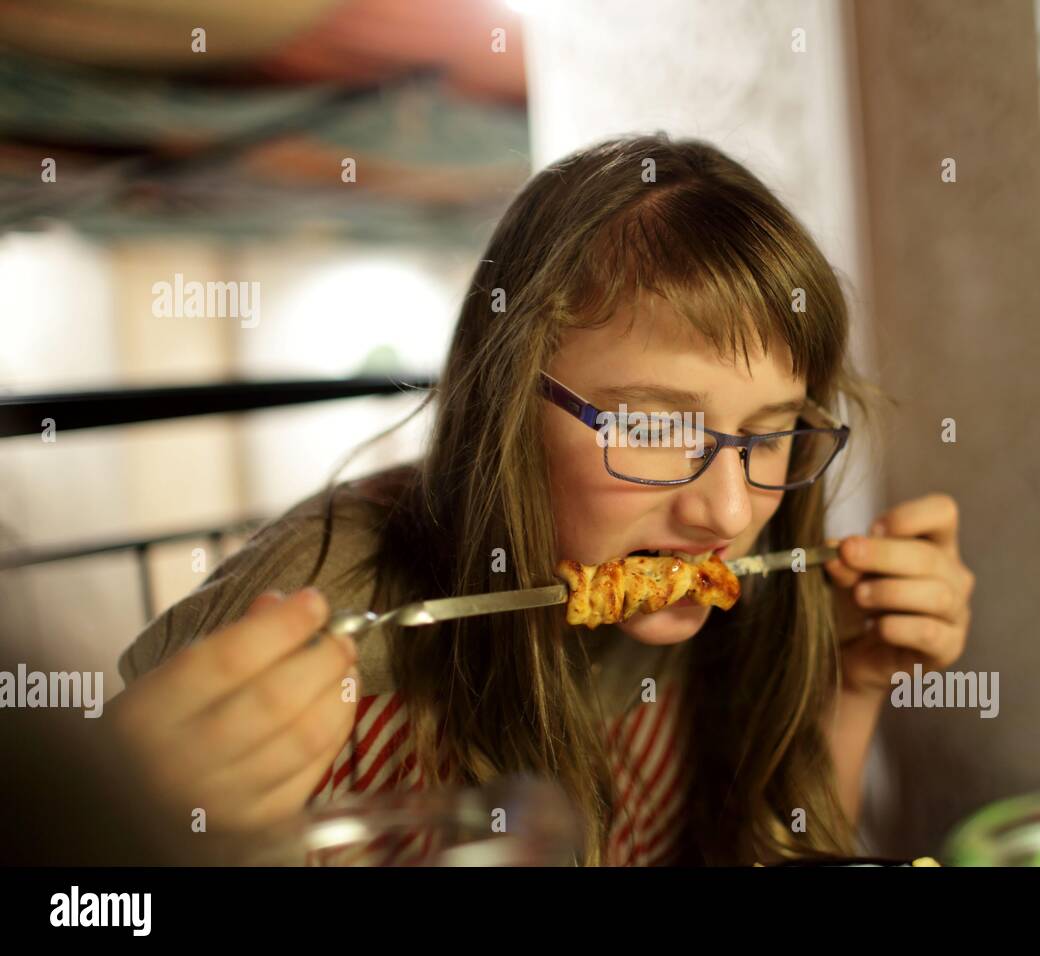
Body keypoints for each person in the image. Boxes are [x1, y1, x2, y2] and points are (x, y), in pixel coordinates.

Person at [110, 134, 975, 866]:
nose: (730, 514)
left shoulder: (739, 596)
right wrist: (143, 831)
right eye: (655, 428)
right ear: (507, 408)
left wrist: (852, 682)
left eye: (769, 432)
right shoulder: (320, 608)